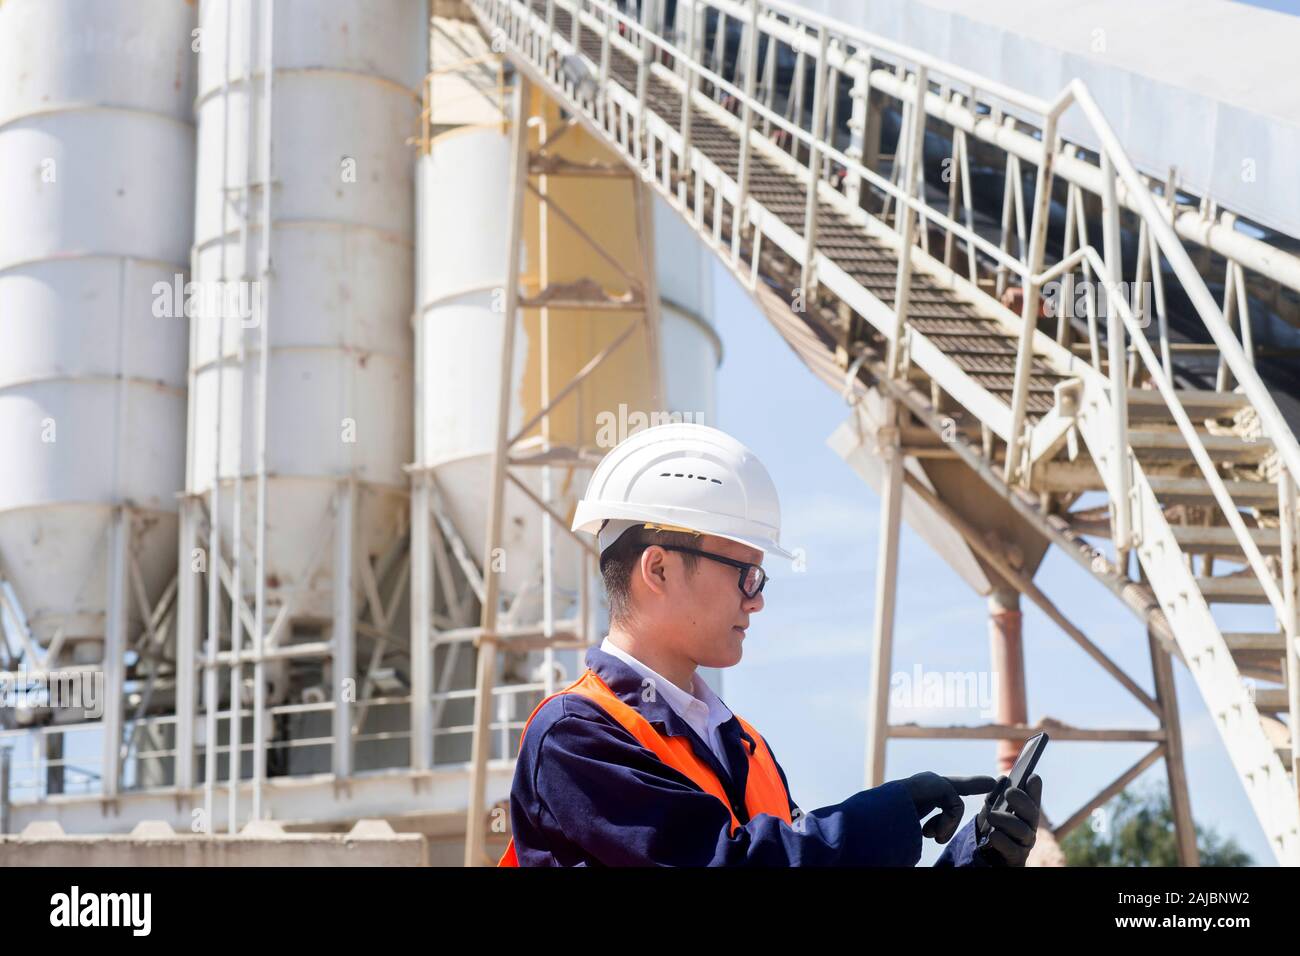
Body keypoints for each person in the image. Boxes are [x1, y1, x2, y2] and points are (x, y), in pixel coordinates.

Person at [499, 422, 1042, 866]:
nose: (755, 601)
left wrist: (976, 857)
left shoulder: (742, 745)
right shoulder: (575, 735)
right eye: (745, 573)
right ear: (658, 569)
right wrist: (889, 813)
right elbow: (727, 864)